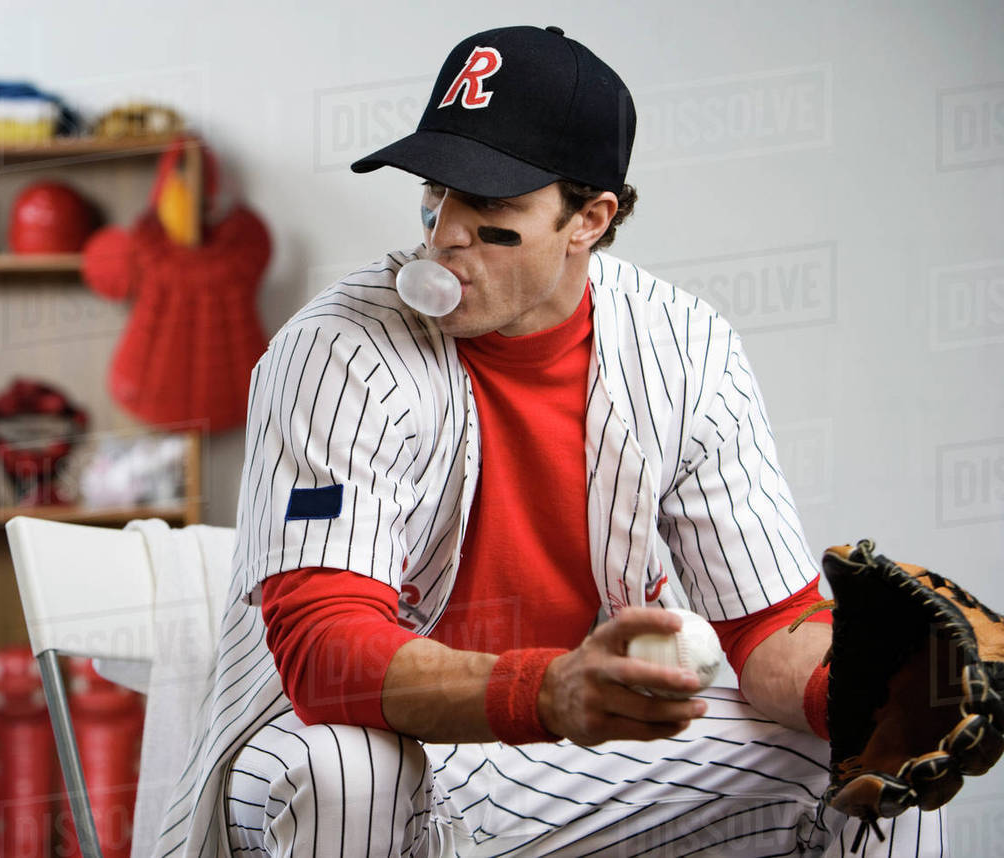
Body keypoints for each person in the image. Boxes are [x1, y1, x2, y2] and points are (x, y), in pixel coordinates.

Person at [153, 25, 946, 857]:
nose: (446, 233)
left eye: (491, 202)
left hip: (559, 751)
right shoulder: (336, 350)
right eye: (438, 186)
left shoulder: (686, 346)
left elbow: (770, 624)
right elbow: (326, 655)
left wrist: (870, 694)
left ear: (590, 218)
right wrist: (550, 689)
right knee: (350, 771)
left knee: (865, 762)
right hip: (346, 741)